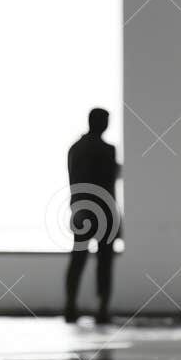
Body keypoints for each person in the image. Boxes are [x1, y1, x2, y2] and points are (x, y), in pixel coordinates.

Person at [64, 108, 122, 325]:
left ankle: (70, 306)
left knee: (77, 260)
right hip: (104, 211)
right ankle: (102, 309)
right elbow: (107, 181)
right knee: (104, 262)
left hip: (80, 209)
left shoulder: (75, 148)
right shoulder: (107, 149)